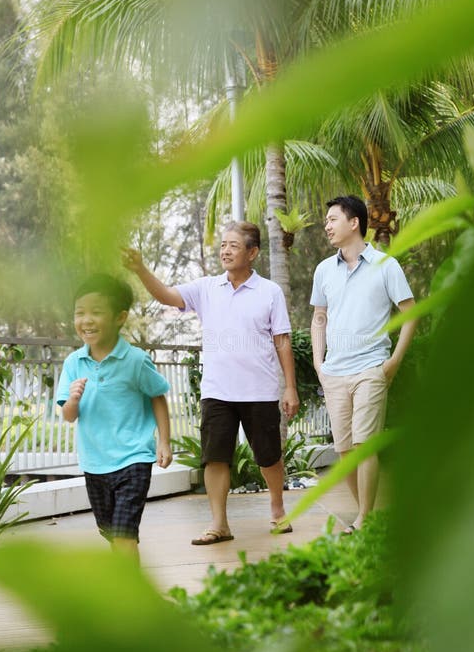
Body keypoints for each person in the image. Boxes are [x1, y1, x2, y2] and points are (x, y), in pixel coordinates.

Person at [123, 220, 300, 545]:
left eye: (234, 245)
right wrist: (141, 269)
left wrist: (290, 386)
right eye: (223, 245)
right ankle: (219, 523)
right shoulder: (206, 288)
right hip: (217, 391)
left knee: (268, 456)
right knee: (215, 457)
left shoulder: (269, 292)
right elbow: (167, 296)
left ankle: (277, 508)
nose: (225, 250)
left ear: (253, 252)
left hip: (259, 391)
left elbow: (282, 340)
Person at [310, 196, 416, 534]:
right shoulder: (324, 269)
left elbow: (410, 312)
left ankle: (365, 518)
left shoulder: (386, 265)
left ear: (354, 222)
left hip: (371, 368)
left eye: (332, 219)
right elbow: (319, 317)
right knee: (344, 450)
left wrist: (394, 360)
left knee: (363, 444)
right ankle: (365, 513)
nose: (326, 226)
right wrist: (318, 363)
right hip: (335, 372)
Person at [57, 273, 172, 560]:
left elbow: (157, 396)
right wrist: (72, 399)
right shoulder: (74, 362)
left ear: (120, 317)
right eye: (80, 313)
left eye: (96, 312)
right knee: (113, 532)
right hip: (94, 462)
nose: (86, 320)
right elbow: (69, 416)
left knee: (122, 533)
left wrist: (164, 442)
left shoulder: (135, 360)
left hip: (134, 457)